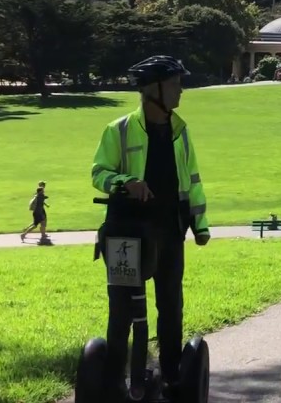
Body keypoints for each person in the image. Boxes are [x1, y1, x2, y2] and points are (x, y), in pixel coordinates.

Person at [90, 55, 211, 400]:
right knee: (122, 310)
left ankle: (172, 377)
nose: (181, 91)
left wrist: (200, 225)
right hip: (126, 232)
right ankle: (115, 381)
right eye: (175, 84)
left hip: (170, 231)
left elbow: (194, 182)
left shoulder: (181, 131)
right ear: (153, 89)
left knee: (171, 306)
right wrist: (125, 181)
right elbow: (98, 173)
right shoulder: (119, 129)